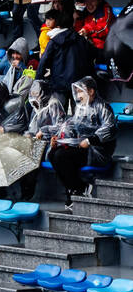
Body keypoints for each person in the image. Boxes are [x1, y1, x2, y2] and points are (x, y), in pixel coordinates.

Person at [49, 77, 116, 206]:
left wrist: (91, 140)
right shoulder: (80, 108)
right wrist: (60, 139)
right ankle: (75, 187)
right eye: (77, 92)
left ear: (91, 91)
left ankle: (77, 189)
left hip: (97, 150)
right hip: (82, 147)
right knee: (53, 153)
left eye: (81, 91)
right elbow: (71, 125)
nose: (79, 95)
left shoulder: (103, 106)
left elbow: (110, 128)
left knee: (61, 156)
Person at [38, 11, 96, 95]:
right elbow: (92, 54)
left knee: (59, 107)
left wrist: (38, 80)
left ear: (58, 25)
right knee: (78, 106)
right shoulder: (80, 39)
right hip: (79, 84)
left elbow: (43, 61)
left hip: (59, 84)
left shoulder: (53, 41)